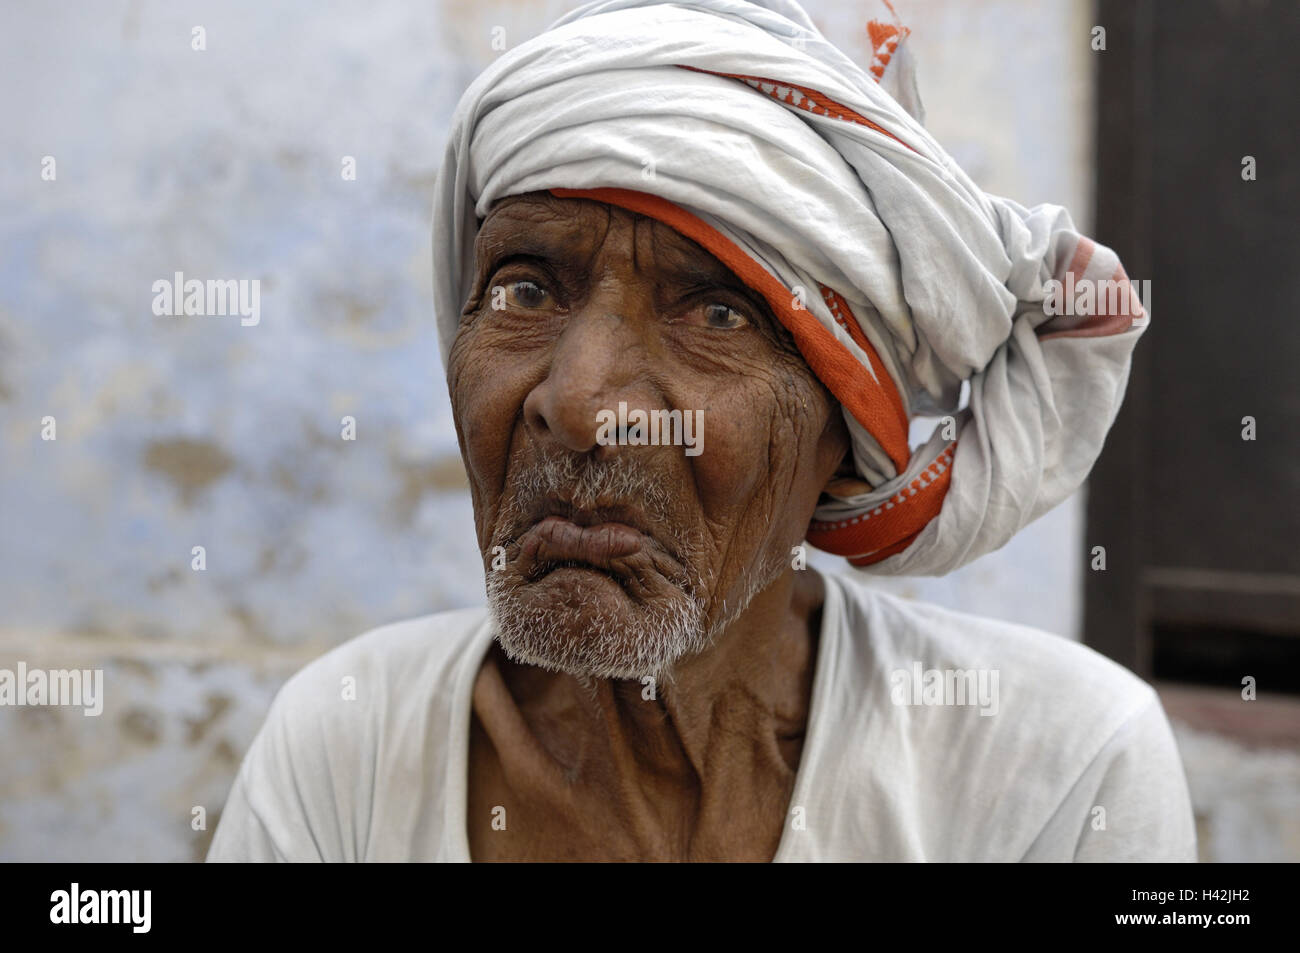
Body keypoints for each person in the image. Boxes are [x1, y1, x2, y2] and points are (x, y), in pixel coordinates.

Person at [208, 0, 1195, 862]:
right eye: (523, 288)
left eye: (718, 313)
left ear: (838, 429)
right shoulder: (344, 747)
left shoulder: (1055, 766)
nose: (581, 403)